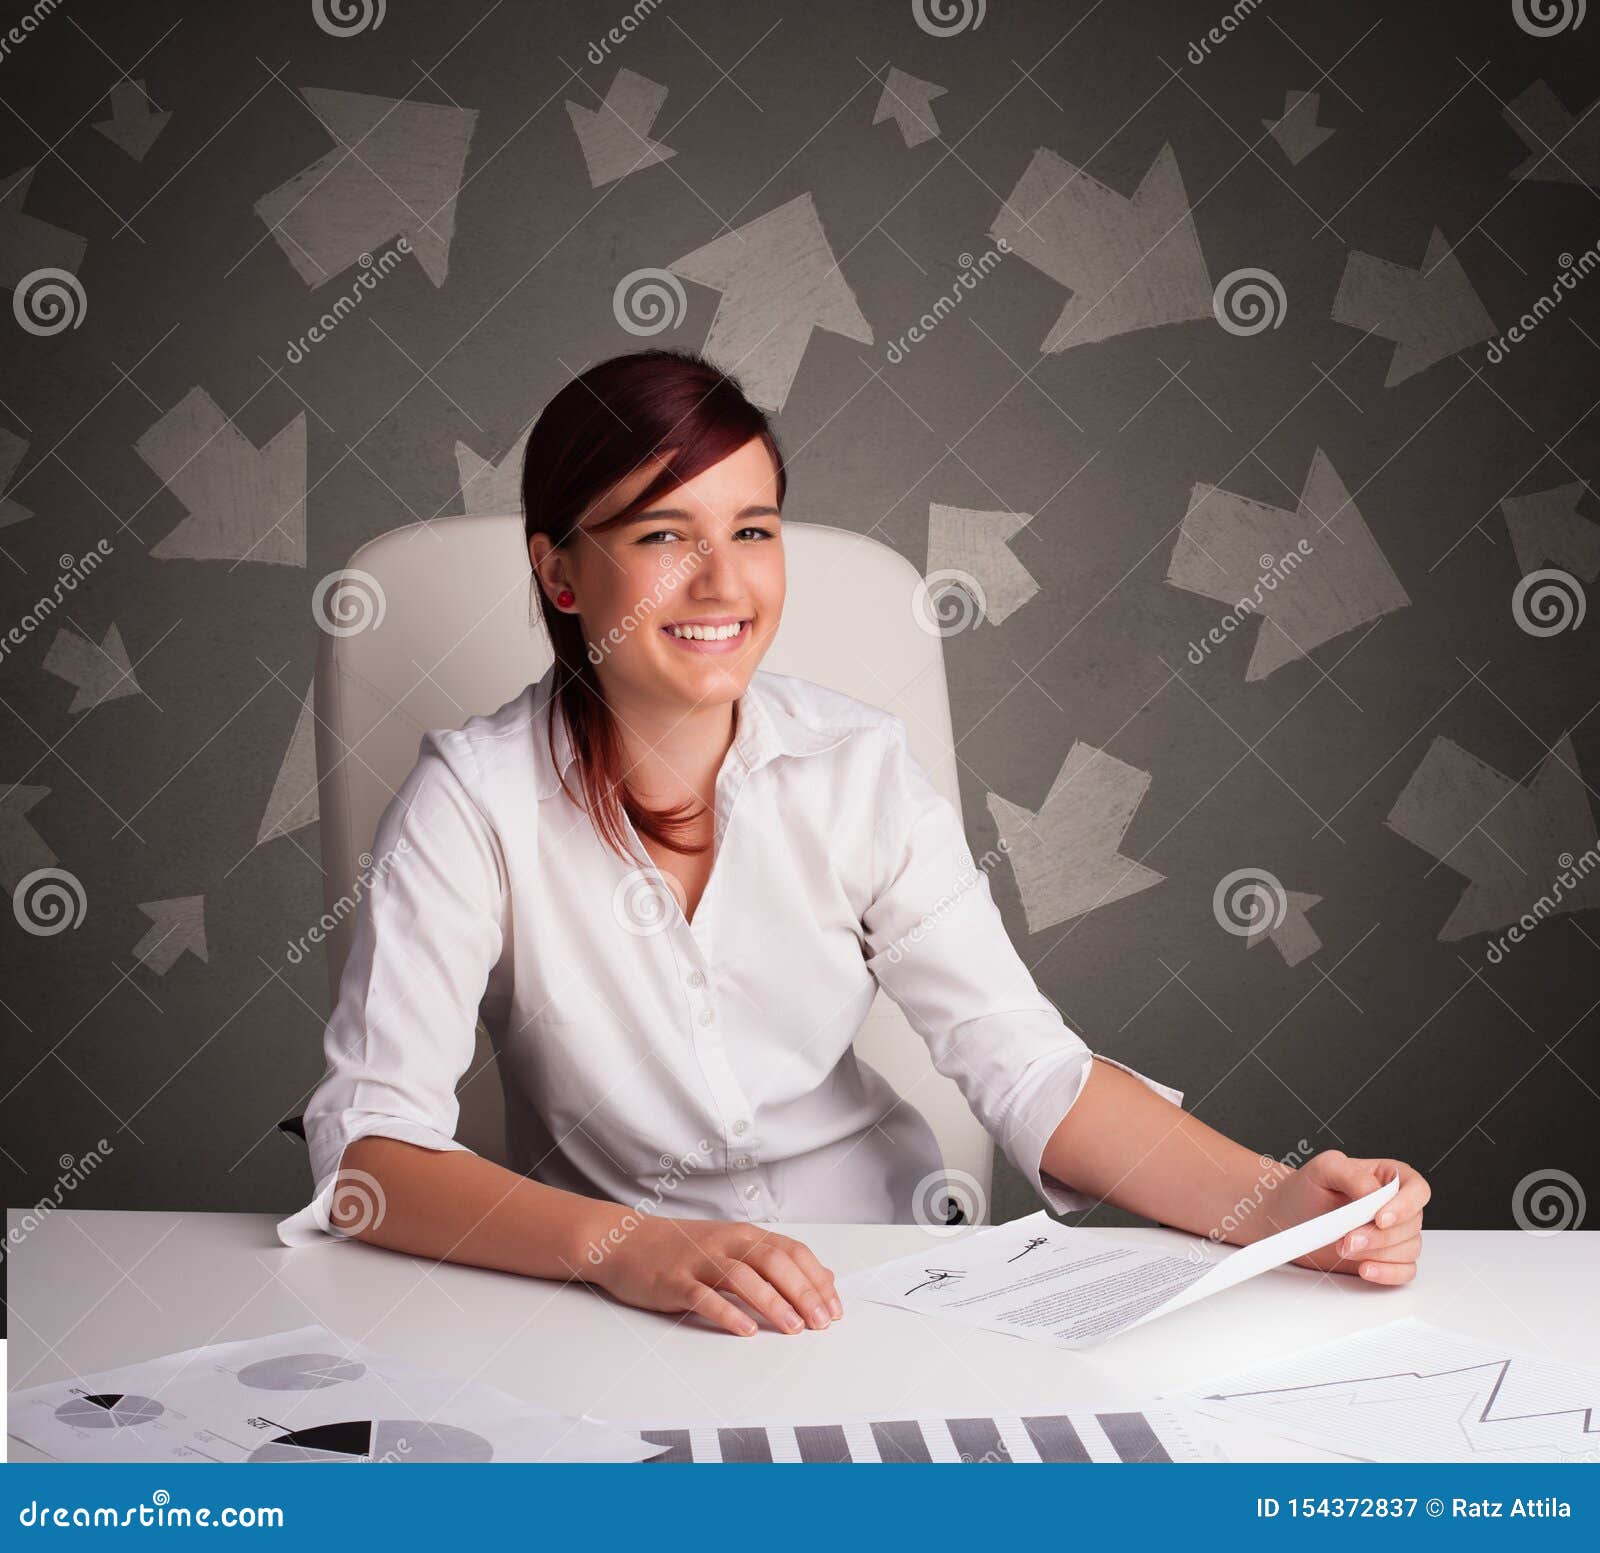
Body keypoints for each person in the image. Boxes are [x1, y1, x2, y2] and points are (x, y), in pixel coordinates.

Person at [277, 349, 1429, 1338]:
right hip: (613, 1308)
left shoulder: (858, 767)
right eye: (662, 533)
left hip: (885, 1284)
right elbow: (368, 1152)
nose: (722, 578)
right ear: (557, 570)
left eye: (753, 529)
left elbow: (1027, 1066)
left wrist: (1281, 1205)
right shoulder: (471, 797)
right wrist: (628, 1247)